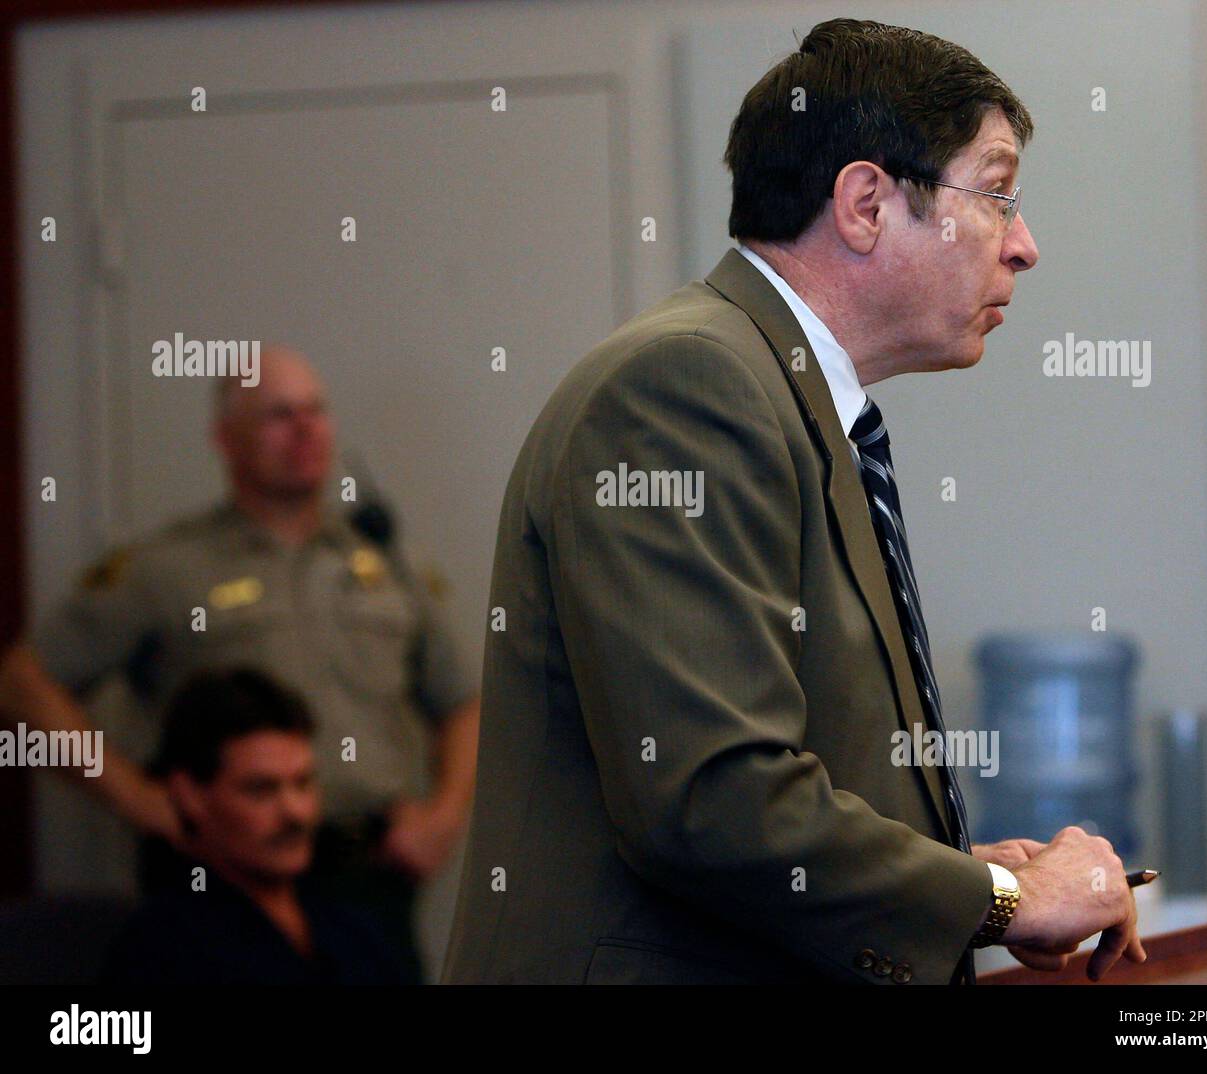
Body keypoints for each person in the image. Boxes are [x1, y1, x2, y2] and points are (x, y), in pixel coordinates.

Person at [444, 18, 1147, 985]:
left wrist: (948, 879)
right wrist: (1004, 902)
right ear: (864, 203)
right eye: (993, 192)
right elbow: (712, 799)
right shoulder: (686, 387)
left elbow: (792, 770)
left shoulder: (784, 395)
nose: (1023, 245)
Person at [0, 345, 479, 982]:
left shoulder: (385, 564)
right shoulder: (167, 568)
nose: (307, 428)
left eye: (316, 410)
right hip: (218, 892)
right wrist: (140, 799)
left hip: (368, 881)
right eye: (280, 414)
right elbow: (24, 684)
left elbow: (461, 700)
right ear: (226, 439)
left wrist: (444, 816)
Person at [100, 668, 415, 985]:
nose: (295, 813)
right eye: (261, 789)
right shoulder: (161, 947)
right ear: (190, 795)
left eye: (303, 783)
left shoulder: (350, 927)